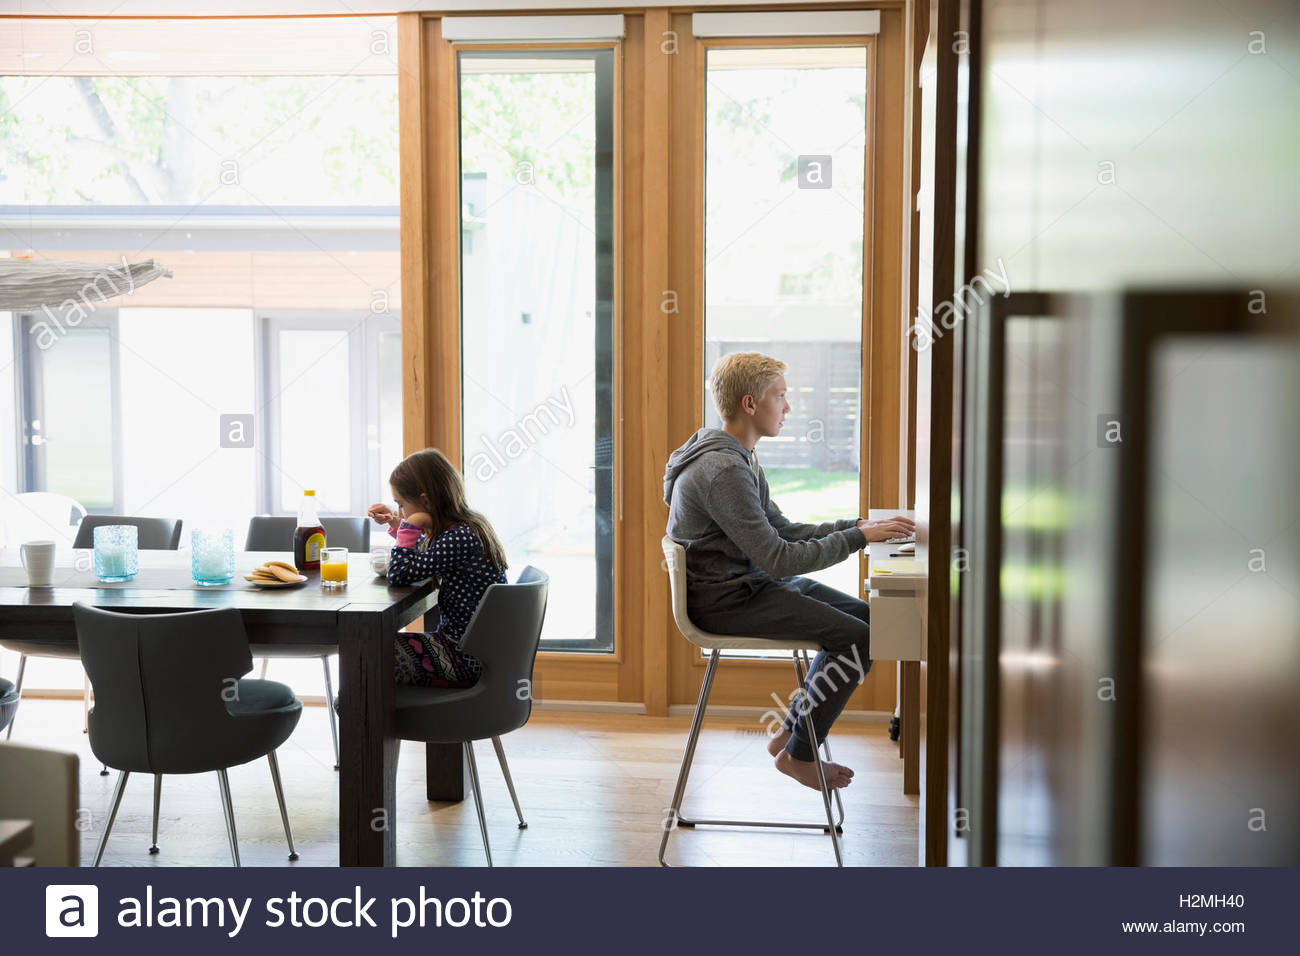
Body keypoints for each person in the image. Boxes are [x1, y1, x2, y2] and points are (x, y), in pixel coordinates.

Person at [663, 352, 914, 790]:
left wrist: (854, 527)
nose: (788, 407)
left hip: (748, 585)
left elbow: (779, 529)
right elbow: (779, 557)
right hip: (726, 601)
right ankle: (798, 755)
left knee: (874, 623)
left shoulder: (737, 456)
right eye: (780, 396)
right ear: (749, 404)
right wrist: (859, 540)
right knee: (858, 638)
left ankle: (791, 731)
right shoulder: (723, 470)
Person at [368, 448, 509, 688]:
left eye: (401, 504)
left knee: (368, 655)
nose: (401, 512)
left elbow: (398, 574)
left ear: (424, 500)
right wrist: (397, 524)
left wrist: (409, 526)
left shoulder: (460, 537)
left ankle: (364, 719)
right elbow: (428, 554)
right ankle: (371, 716)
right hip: (473, 648)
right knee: (370, 652)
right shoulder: (468, 527)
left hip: (463, 654)